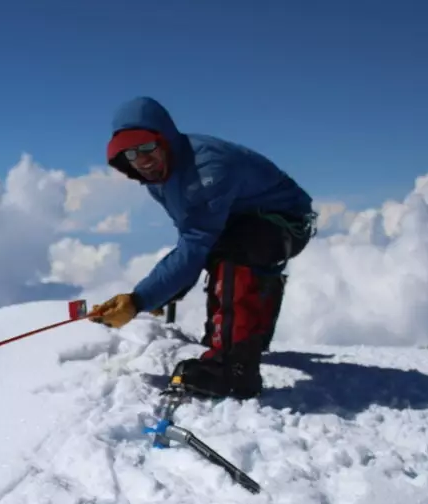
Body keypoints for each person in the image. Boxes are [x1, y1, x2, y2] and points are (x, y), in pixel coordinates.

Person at [90, 96, 316, 399]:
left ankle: (235, 368)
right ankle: (238, 337)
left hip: (285, 222)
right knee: (223, 249)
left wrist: (141, 298)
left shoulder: (206, 167)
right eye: (131, 153)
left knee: (237, 250)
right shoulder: (161, 176)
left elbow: (197, 243)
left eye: (147, 148)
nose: (141, 160)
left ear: (166, 140)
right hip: (246, 220)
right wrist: (164, 289)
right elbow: (192, 239)